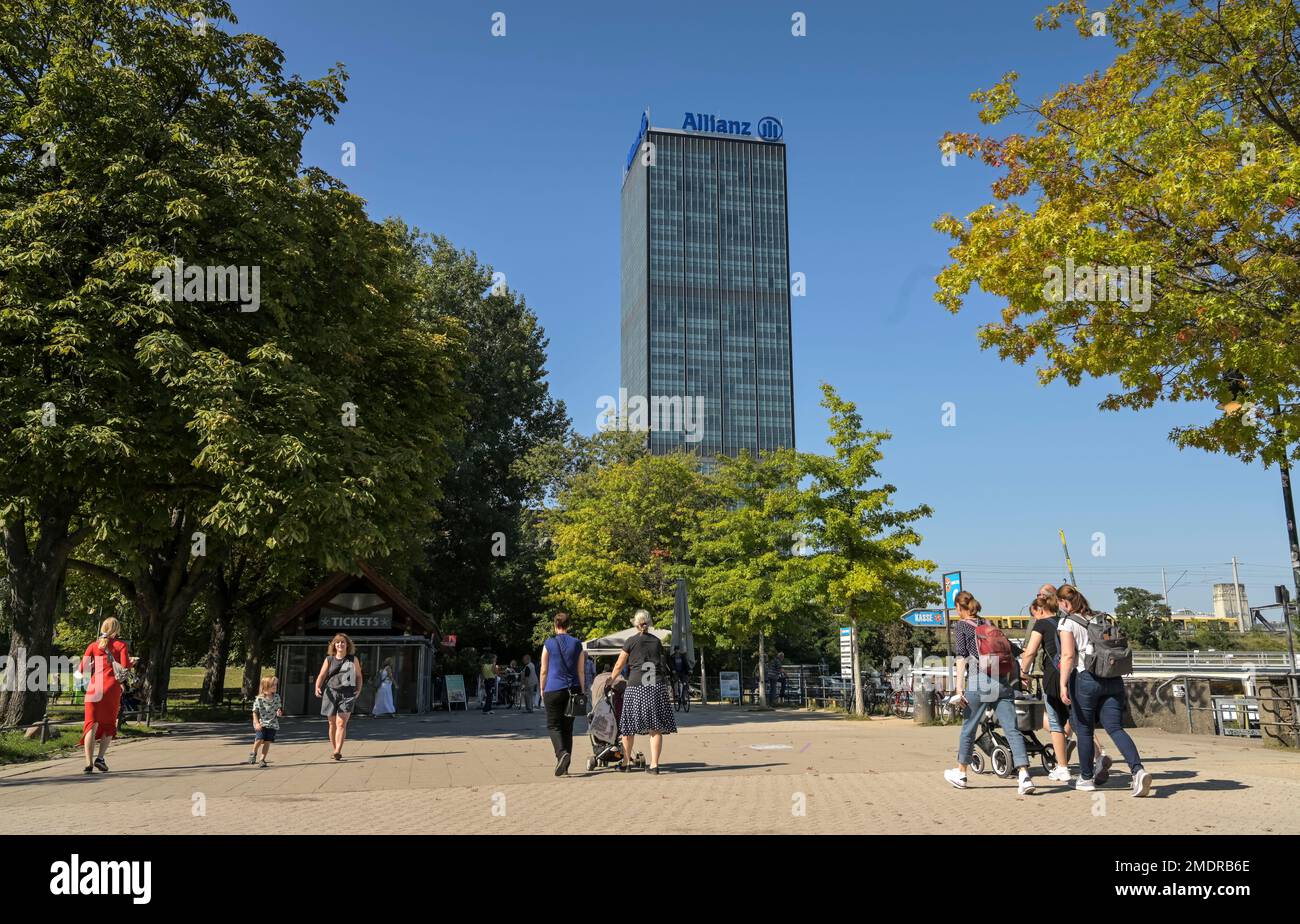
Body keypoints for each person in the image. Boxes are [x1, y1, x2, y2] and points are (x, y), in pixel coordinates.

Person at [1057, 584, 1153, 796]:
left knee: (1084, 730)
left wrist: (1063, 684)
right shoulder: (1100, 618)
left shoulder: (1067, 623)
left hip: (1085, 679)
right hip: (1113, 678)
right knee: (1115, 728)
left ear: (1064, 603)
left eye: (1060, 604)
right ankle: (1138, 771)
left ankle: (1086, 777)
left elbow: (1067, 656)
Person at [943, 591, 1036, 795]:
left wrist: (959, 689)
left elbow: (961, 658)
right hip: (1002, 682)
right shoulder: (989, 623)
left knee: (969, 727)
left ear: (960, 608)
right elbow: (1010, 651)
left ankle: (961, 773)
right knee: (1012, 730)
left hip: (979, 681)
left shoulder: (962, 627)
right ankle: (1024, 776)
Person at [608, 609, 676, 774]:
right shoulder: (656, 642)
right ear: (649, 622)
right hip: (654, 685)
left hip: (636, 686)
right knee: (655, 727)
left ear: (636, 624)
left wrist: (611, 680)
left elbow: (619, 664)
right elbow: (662, 663)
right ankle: (654, 765)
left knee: (628, 726)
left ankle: (626, 763)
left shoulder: (630, 641)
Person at [1018, 594, 1072, 783]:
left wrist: (1023, 672)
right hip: (1074, 674)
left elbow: (1031, 651)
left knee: (1055, 723)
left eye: (1034, 614)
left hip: (1054, 677)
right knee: (1079, 719)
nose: (1035, 618)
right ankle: (1097, 758)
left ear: (1040, 610)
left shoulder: (1041, 624)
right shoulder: (1065, 620)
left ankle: (1063, 767)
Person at [77, 618, 137, 774]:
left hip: (94, 687)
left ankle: (88, 763)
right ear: (116, 630)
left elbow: (81, 670)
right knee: (109, 725)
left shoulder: (92, 646)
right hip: (111, 688)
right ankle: (100, 758)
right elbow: (124, 668)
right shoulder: (121, 645)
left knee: (91, 724)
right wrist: (132, 662)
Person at [539, 612, 586, 776]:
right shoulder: (577, 644)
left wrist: (541, 688)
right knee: (567, 728)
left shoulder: (549, 643)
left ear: (555, 625)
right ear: (568, 625)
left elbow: (544, 670)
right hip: (572, 689)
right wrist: (582, 689)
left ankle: (561, 754)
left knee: (553, 725)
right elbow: (581, 670)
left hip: (553, 688)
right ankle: (565, 767)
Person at [314, 633, 362, 760]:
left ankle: (337, 751)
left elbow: (358, 676)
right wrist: (317, 686)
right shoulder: (329, 659)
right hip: (331, 693)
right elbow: (322, 675)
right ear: (334, 645)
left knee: (341, 723)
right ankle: (334, 748)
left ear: (347, 645)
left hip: (347, 694)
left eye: (343, 642)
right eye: (337, 642)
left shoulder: (353, 659)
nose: (340, 644)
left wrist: (359, 689)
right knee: (332, 724)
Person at [249, 676, 284, 767]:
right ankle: (253, 752)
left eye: (276, 685)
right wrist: (256, 723)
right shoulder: (259, 699)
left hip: (272, 723)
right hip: (261, 723)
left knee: (267, 741)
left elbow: (278, 708)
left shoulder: (276, 697)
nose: (275, 687)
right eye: (273, 685)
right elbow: (255, 712)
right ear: (266, 686)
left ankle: (262, 760)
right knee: (260, 739)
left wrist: (279, 712)